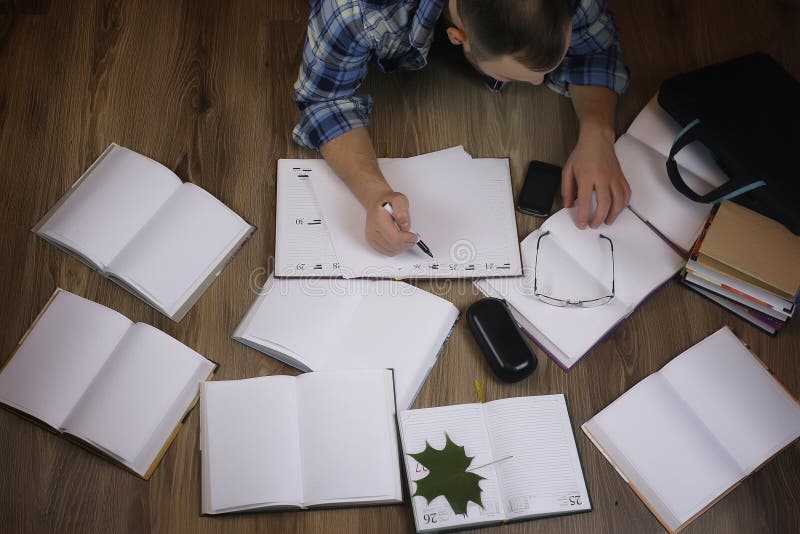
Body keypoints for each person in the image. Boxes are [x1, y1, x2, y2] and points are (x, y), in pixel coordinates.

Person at [293, 0, 631, 256]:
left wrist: (598, 133)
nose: (542, 82)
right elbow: (325, 101)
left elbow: (595, 49)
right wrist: (375, 195)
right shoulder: (355, 10)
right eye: (515, 77)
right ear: (459, 37)